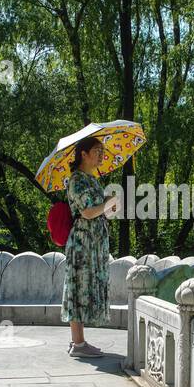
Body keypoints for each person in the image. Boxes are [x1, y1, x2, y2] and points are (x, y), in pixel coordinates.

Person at [61, 136, 120, 357]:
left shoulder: (93, 180)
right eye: (97, 150)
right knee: (78, 288)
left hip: (94, 243)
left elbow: (102, 212)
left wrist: (111, 206)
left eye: (102, 150)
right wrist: (106, 204)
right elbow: (87, 212)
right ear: (83, 154)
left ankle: (78, 342)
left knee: (86, 286)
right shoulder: (76, 180)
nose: (101, 153)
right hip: (82, 243)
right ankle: (78, 344)